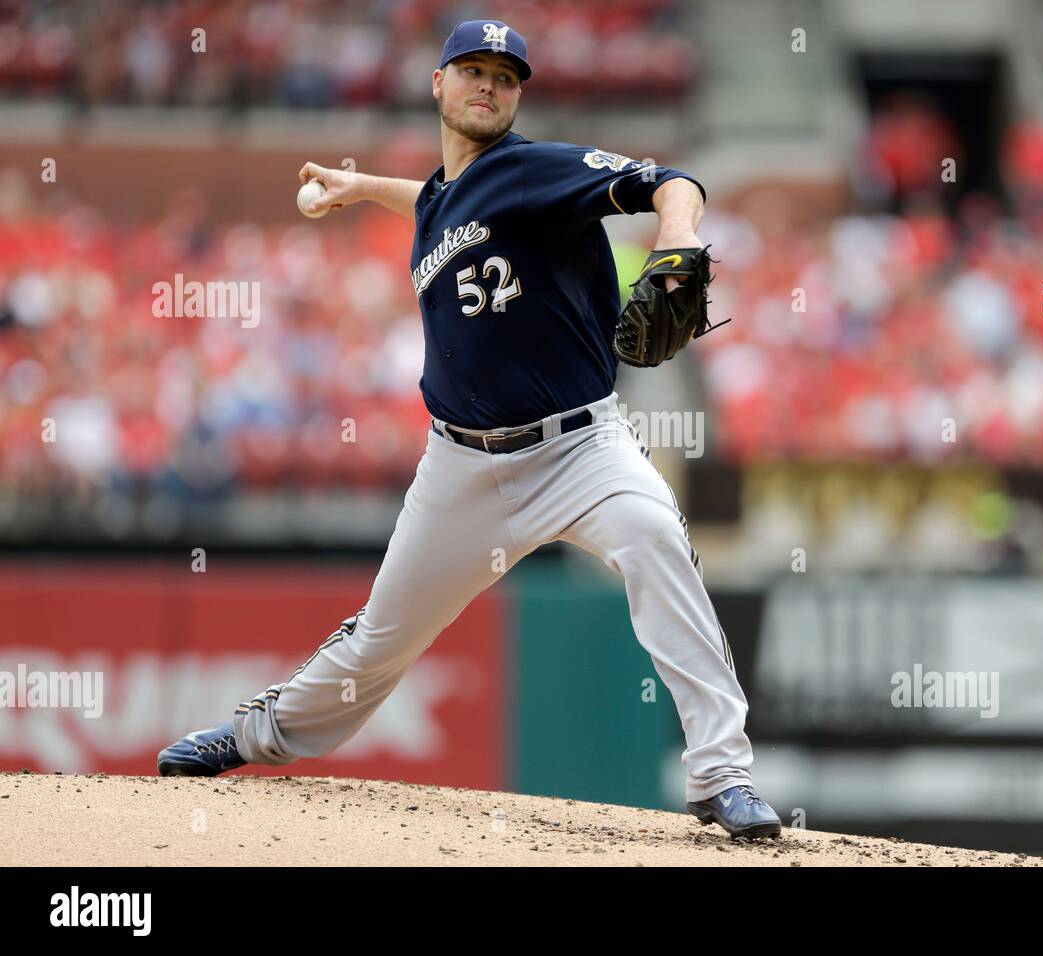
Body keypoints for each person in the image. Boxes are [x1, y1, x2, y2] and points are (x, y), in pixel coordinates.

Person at [157, 19, 781, 840]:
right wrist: (360, 185)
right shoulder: (441, 197)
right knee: (378, 641)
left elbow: (674, 181)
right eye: (472, 69)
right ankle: (247, 738)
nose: (489, 85)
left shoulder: (533, 170)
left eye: (506, 76)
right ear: (438, 84)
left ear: (518, 96)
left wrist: (676, 236)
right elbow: (435, 199)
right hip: (458, 467)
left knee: (658, 542)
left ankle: (722, 777)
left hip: (580, 449)